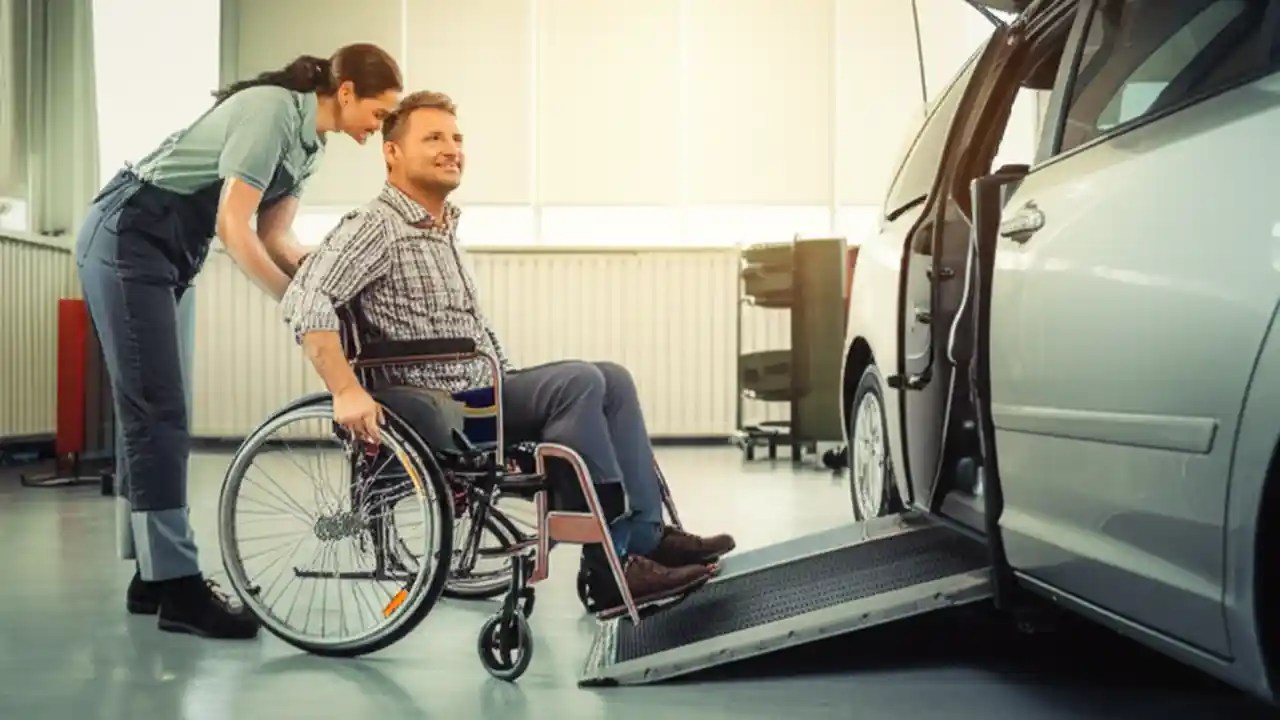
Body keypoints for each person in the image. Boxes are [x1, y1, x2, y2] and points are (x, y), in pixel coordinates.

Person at [280, 91, 737, 610]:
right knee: (579, 381)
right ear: (392, 153)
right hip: (436, 411)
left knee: (612, 377)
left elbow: (473, 332)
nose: (452, 149)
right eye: (433, 138)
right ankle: (609, 566)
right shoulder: (375, 228)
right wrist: (345, 391)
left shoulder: (441, 231)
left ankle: (645, 536)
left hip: (475, 398)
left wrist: (516, 385)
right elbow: (306, 298)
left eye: (457, 139)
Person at [75, 43, 404, 640]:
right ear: (347, 91)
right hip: (128, 234)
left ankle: (150, 576)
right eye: (378, 115)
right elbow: (233, 227)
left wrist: (327, 287)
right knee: (158, 410)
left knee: (153, 409)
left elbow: (276, 238)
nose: (377, 130)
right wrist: (301, 313)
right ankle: (177, 588)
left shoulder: (309, 147)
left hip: (172, 254)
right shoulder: (272, 111)